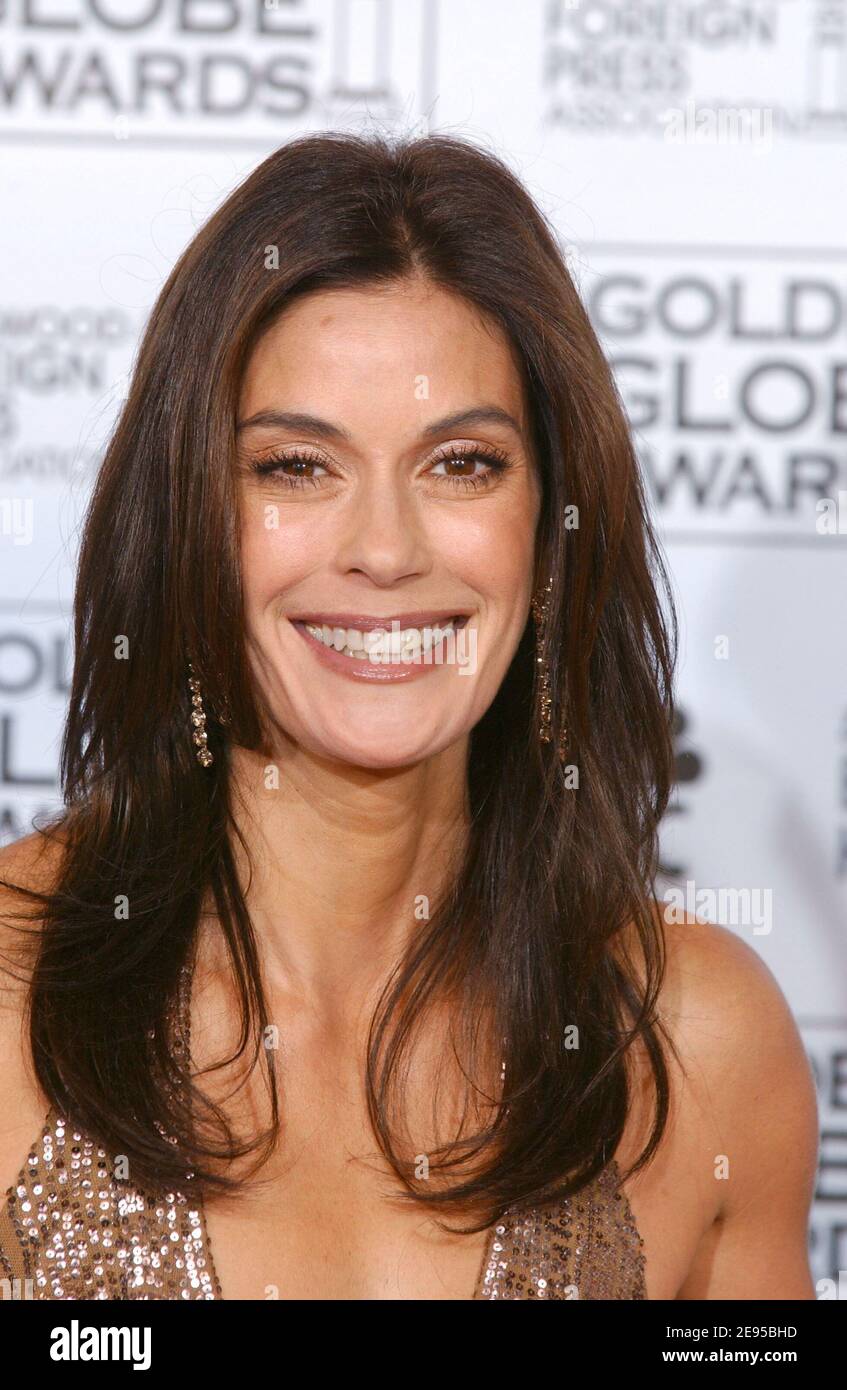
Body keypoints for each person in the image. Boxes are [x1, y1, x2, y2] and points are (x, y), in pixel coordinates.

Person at [0, 131, 818, 1301]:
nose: (384, 550)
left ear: (551, 526)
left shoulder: (698, 1044)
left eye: (462, 465)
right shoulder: (9, 1002)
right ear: (186, 520)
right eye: (295, 467)